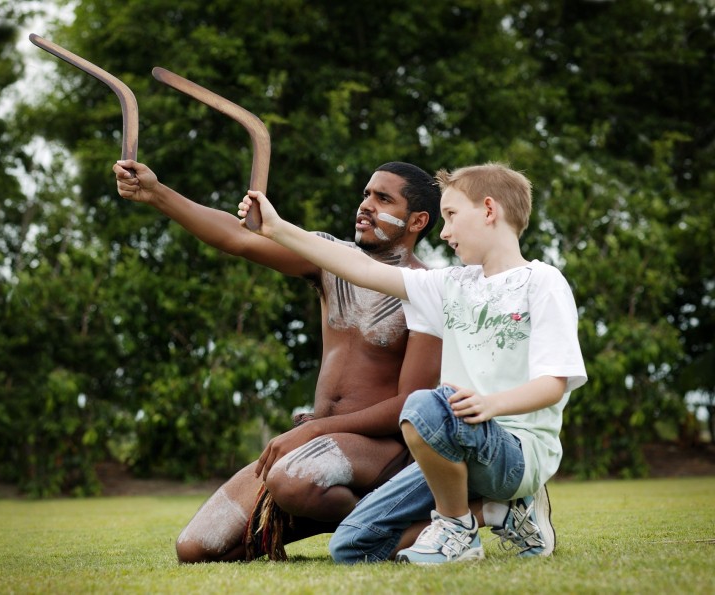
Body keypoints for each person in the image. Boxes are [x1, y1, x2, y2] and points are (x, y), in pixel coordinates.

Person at [237, 162, 587, 564]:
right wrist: (277, 229)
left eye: (452, 216)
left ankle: (457, 531)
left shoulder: (542, 283)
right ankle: (500, 513)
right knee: (350, 546)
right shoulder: (449, 286)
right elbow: (362, 268)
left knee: (423, 403)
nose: (444, 231)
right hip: (451, 449)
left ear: (489, 211)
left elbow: (553, 384)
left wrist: (491, 405)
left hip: (514, 451)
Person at [113, 158, 444, 562]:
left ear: (416, 221)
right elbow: (239, 239)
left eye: (383, 198)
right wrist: (156, 193)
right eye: (366, 194)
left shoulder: (428, 290)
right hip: (315, 453)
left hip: (382, 452)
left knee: (290, 480)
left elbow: (413, 406)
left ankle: (408, 529)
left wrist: (312, 431)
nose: (366, 205)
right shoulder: (329, 259)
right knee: (196, 548)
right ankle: (341, 513)